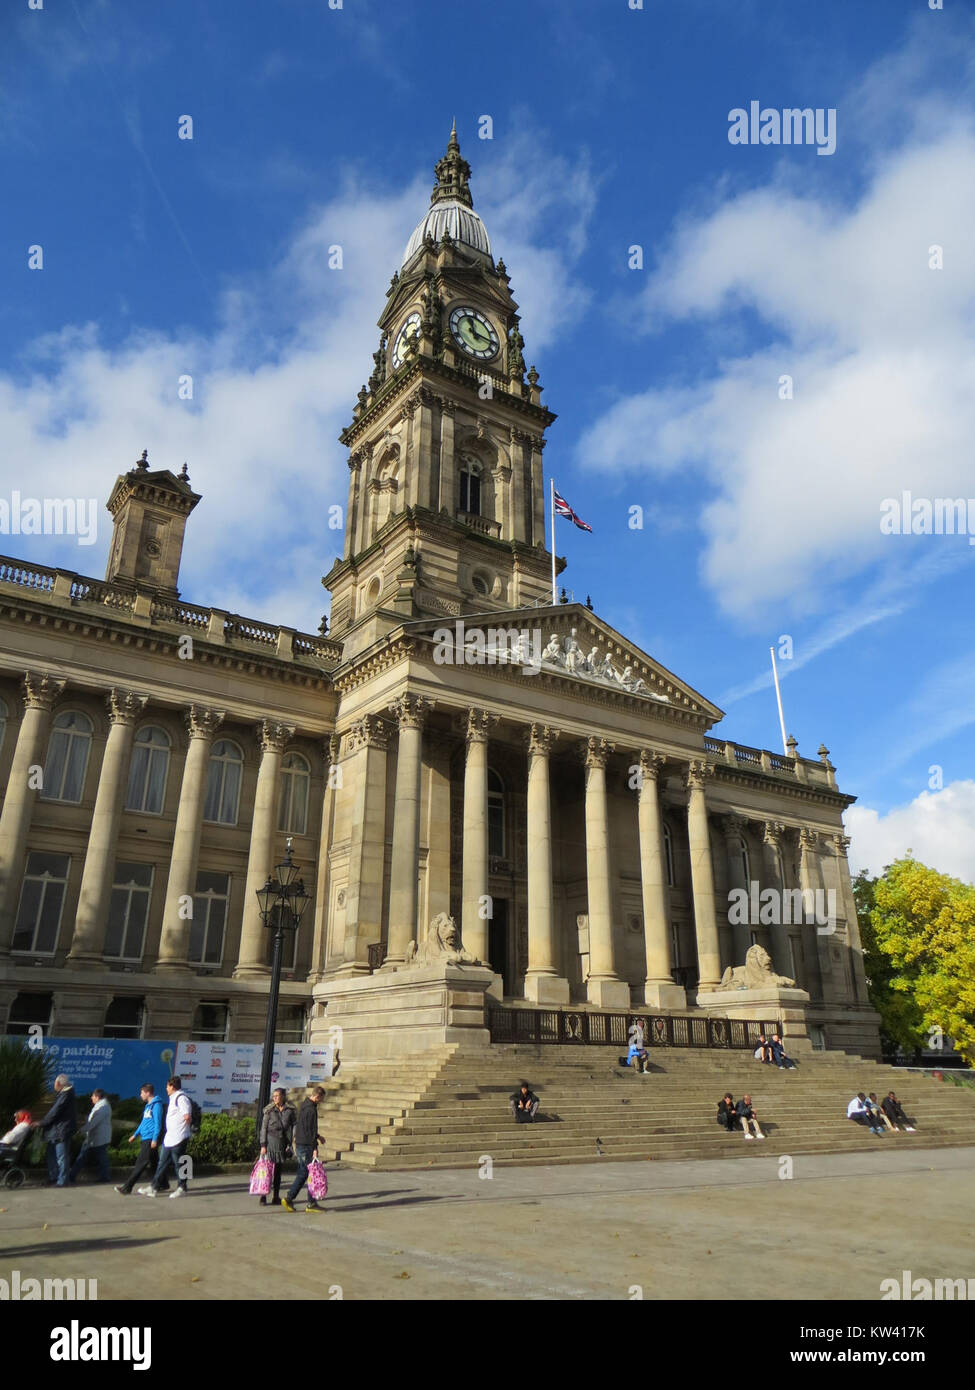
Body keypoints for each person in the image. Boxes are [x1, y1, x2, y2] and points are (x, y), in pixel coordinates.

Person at [142, 1075, 193, 1198]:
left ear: (172, 1086)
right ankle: (154, 1187)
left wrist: (183, 1130)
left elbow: (187, 1116)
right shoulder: (173, 1098)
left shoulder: (181, 1098)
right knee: (162, 1163)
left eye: (167, 1086)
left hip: (179, 1137)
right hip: (170, 1138)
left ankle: (182, 1188)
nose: (166, 1088)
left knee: (179, 1163)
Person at [116, 1084, 165, 1195]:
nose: (140, 1095)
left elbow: (158, 1124)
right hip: (145, 1137)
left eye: (142, 1093)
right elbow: (144, 1122)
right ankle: (163, 1183)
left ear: (148, 1093)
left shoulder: (157, 1105)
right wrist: (135, 1135)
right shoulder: (148, 1106)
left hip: (150, 1138)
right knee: (155, 1163)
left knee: (141, 1163)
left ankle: (127, 1187)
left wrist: (155, 1139)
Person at [283, 1085, 326, 1213]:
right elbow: (310, 1130)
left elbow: (305, 1127)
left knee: (304, 1173)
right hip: (307, 1145)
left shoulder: (304, 1105)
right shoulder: (311, 1109)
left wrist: (318, 1136)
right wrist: (314, 1147)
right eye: (321, 1099)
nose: (321, 1101)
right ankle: (297, 1199)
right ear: (317, 1096)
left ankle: (294, 1199)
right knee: (308, 1173)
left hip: (301, 1143)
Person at [259, 1087, 297, 1206]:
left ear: (283, 1096)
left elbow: (294, 1124)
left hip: (282, 1143)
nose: (274, 1098)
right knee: (267, 1171)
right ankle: (263, 1196)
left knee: (278, 1172)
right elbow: (263, 1128)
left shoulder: (290, 1110)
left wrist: (293, 1138)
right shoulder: (269, 1110)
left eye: (277, 1096)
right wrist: (263, 1145)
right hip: (270, 1143)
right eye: (273, 1096)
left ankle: (276, 1196)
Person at [68, 1089, 112, 1183]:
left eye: (93, 1096)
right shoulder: (102, 1106)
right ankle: (72, 1176)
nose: (91, 1098)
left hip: (99, 1138)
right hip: (95, 1138)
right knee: (91, 1157)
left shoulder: (103, 1107)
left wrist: (81, 1130)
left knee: (94, 1157)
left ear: (97, 1097)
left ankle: (72, 1176)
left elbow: (93, 1123)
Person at [39, 1075, 77, 1187]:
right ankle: (54, 1177)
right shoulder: (64, 1094)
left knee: (61, 1157)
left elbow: (55, 1112)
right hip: (56, 1131)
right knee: (52, 1155)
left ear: (59, 1084)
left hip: (61, 1131)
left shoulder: (66, 1095)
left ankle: (62, 1180)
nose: (54, 1085)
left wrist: (41, 1122)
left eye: (55, 1083)